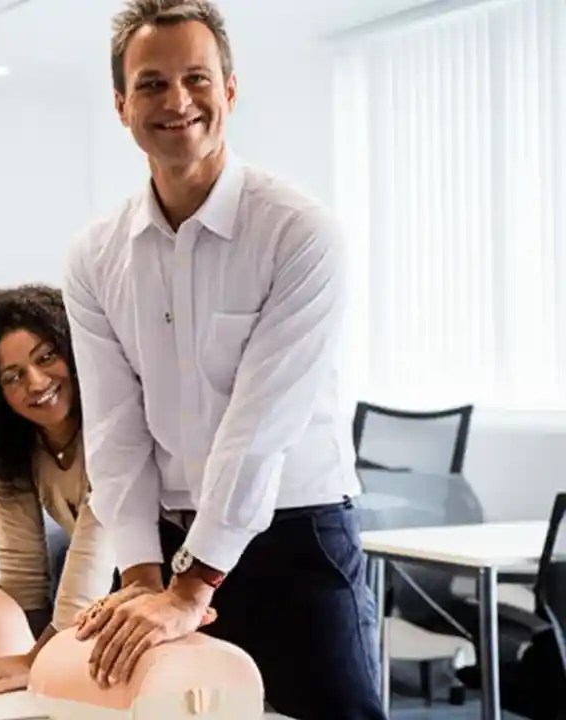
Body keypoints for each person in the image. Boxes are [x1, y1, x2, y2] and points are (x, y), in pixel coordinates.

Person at [63, 2, 385, 719]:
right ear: (121, 105)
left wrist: (189, 591)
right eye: (150, 84)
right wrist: (143, 580)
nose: (176, 102)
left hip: (294, 535)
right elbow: (114, 431)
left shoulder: (300, 232)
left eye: (196, 78)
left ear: (229, 92)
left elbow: (258, 429)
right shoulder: (95, 256)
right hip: (169, 539)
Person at [0, 284, 118, 698]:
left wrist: (33, 662)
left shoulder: (114, 429)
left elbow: (93, 560)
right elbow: (23, 581)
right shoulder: (10, 450)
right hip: (98, 608)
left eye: (46, 357)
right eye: (12, 377)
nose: (36, 382)